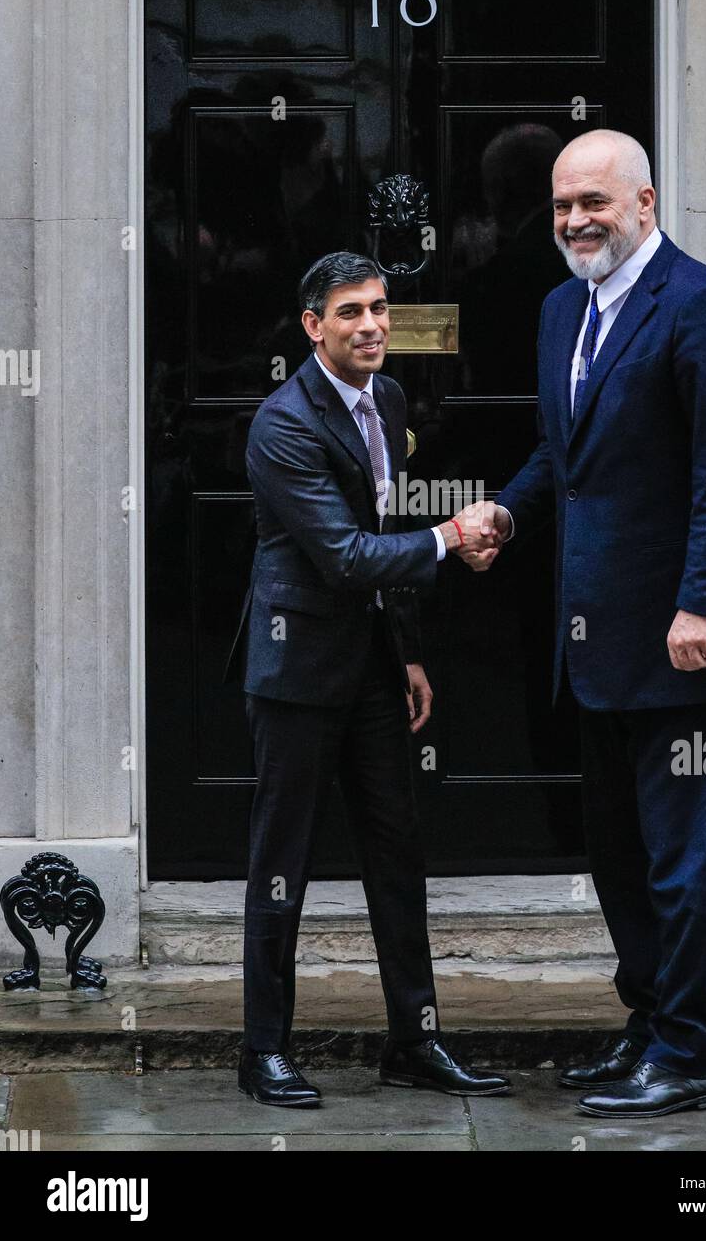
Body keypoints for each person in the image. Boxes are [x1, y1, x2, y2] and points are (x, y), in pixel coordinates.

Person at [461, 129, 706, 1118]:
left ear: (643, 203)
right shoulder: (564, 306)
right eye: (564, 204)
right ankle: (648, 1023)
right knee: (613, 849)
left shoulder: (699, 308)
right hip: (594, 638)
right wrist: (506, 510)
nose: (574, 221)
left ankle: (689, 1054)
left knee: (676, 854)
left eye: (594, 203)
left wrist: (698, 602)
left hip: (689, 645)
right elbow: (561, 453)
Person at [223, 251, 509, 1106]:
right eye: (350, 312)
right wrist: (451, 540)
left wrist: (410, 652)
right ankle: (263, 1050)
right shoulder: (282, 425)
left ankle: (413, 1042)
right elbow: (347, 557)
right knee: (284, 862)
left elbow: (383, 525)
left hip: (376, 671)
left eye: (380, 308)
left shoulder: (386, 399)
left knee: (398, 856)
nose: (372, 325)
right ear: (313, 327)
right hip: (299, 673)